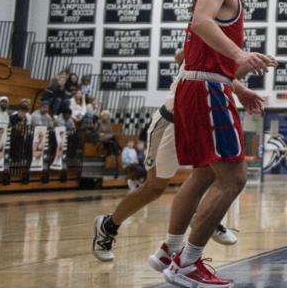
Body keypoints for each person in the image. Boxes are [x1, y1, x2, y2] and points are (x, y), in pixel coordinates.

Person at [161, 0, 274, 288]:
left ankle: (170, 250)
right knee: (234, 179)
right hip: (205, 90)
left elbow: (190, 51)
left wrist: (237, 86)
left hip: (203, 85)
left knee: (205, 174)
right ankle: (187, 263)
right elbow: (200, 22)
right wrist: (240, 54)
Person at [92, 49, 242, 266]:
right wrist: (246, 63)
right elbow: (181, 55)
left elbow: (181, 57)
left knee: (212, 174)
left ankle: (202, 218)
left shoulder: (222, 39)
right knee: (154, 188)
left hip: (199, 120)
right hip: (171, 123)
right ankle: (108, 225)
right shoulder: (207, 31)